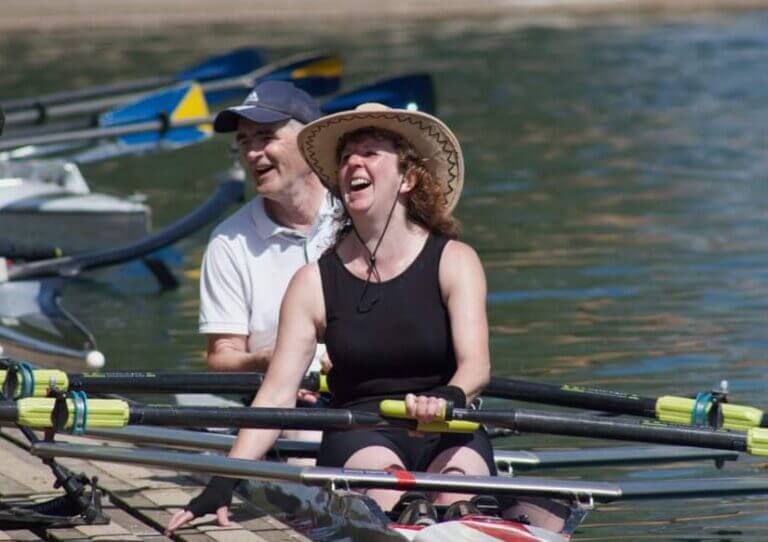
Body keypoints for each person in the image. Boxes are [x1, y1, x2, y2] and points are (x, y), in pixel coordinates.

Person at [167, 102, 495, 534]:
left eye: (371, 152)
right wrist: (224, 481)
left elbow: (477, 366)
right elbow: (276, 395)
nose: (354, 163)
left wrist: (449, 398)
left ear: (408, 177)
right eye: (345, 158)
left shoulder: (455, 260)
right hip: (361, 429)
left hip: (449, 423)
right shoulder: (312, 283)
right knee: (397, 502)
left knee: (464, 506)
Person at [198, 79, 335, 382]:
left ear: (311, 142)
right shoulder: (227, 242)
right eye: (244, 141)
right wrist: (267, 361)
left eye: (265, 137)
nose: (251, 153)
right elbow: (222, 355)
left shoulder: (361, 216)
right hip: (276, 400)